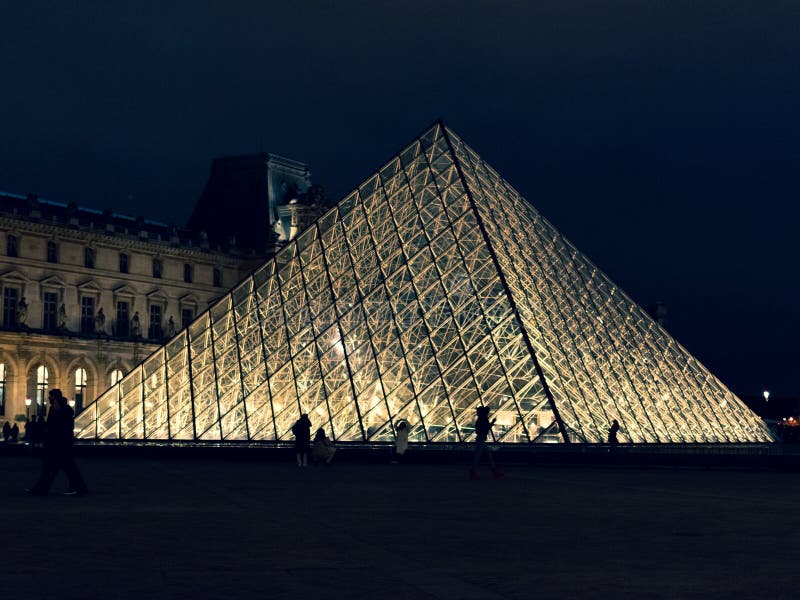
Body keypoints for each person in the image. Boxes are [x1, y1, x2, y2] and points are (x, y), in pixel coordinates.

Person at [25, 389, 89, 497]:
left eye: (51, 397)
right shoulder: (53, 409)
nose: (49, 398)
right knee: (51, 469)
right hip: (54, 444)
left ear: (55, 397)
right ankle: (42, 489)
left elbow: (65, 428)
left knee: (66, 469)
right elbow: (50, 426)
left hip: (62, 445)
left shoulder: (65, 410)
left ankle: (78, 488)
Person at [470, 406, 504, 480]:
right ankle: (474, 472)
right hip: (481, 440)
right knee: (478, 457)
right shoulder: (483, 419)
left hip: (480, 439)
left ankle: (494, 471)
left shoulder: (480, 419)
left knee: (487, 456)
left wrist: (491, 423)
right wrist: (492, 422)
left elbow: (479, 429)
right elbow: (486, 428)